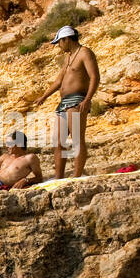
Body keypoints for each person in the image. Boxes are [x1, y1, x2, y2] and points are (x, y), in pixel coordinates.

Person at [30, 25, 98, 179]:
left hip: (77, 100)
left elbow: (95, 77)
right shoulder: (68, 57)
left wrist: (88, 99)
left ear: (66, 39)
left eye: (59, 42)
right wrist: (44, 96)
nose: (59, 46)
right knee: (58, 141)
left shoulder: (84, 53)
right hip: (64, 102)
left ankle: (76, 175)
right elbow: (59, 80)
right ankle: (58, 177)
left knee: (76, 140)